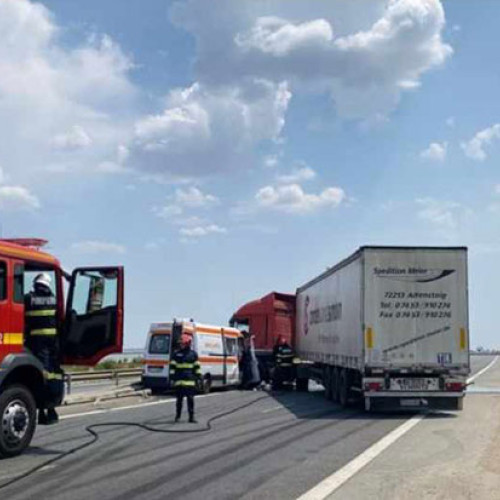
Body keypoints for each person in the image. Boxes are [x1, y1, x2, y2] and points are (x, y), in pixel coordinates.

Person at [24, 273, 62, 425]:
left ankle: (41, 410)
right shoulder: (54, 299)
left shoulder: (28, 298)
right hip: (53, 342)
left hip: (36, 342)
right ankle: (51, 409)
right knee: (54, 373)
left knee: (40, 373)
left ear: (35, 284)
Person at [170, 334, 201, 423]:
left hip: (190, 382)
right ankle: (178, 416)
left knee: (190, 400)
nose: (181, 345)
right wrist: (172, 378)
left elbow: (197, 367)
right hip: (179, 382)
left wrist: (198, 378)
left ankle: (191, 417)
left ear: (187, 343)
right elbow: (172, 367)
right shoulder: (176, 354)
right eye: (180, 343)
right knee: (179, 401)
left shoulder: (193, 354)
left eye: (182, 343)